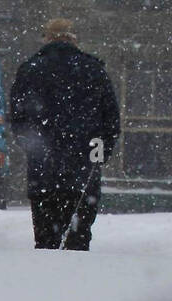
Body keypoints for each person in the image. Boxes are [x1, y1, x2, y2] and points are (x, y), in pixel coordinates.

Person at [9, 19, 120, 250]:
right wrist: (98, 155)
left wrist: (33, 148)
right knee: (78, 239)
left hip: (43, 172)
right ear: (73, 38)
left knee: (45, 241)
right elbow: (110, 123)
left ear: (46, 38)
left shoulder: (30, 69)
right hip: (83, 171)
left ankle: (47, 279)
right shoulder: (94, 70)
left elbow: (18, 120)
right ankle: (75, 280)